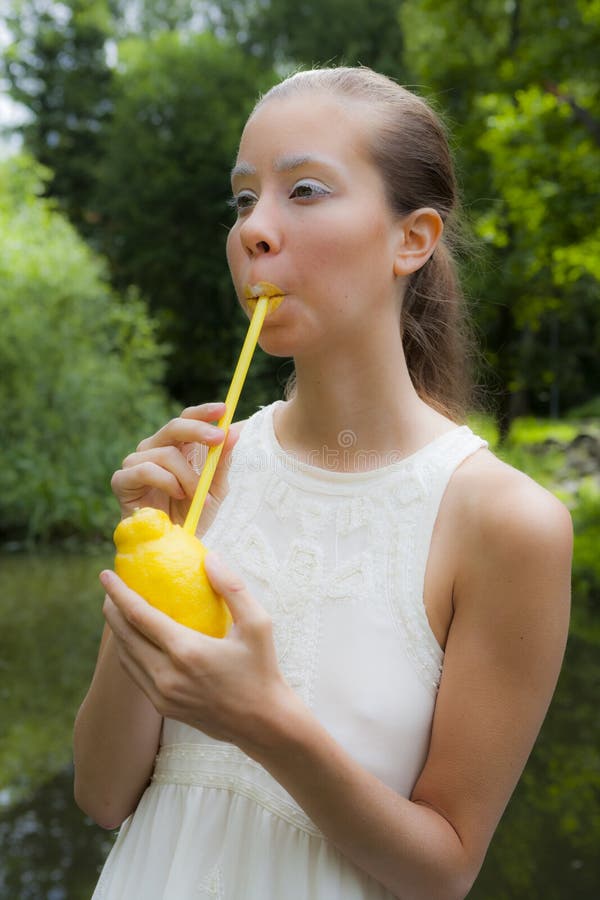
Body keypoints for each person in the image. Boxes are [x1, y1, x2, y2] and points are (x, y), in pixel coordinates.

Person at [74, 66, 572, 900]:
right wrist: (149, 549)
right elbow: (100, 793)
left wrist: (267, 724)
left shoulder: (504, 521)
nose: (255, 231)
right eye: (241, 201)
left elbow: (444, 869)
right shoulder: (200, 477)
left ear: (411, 239)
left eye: (303, 190)